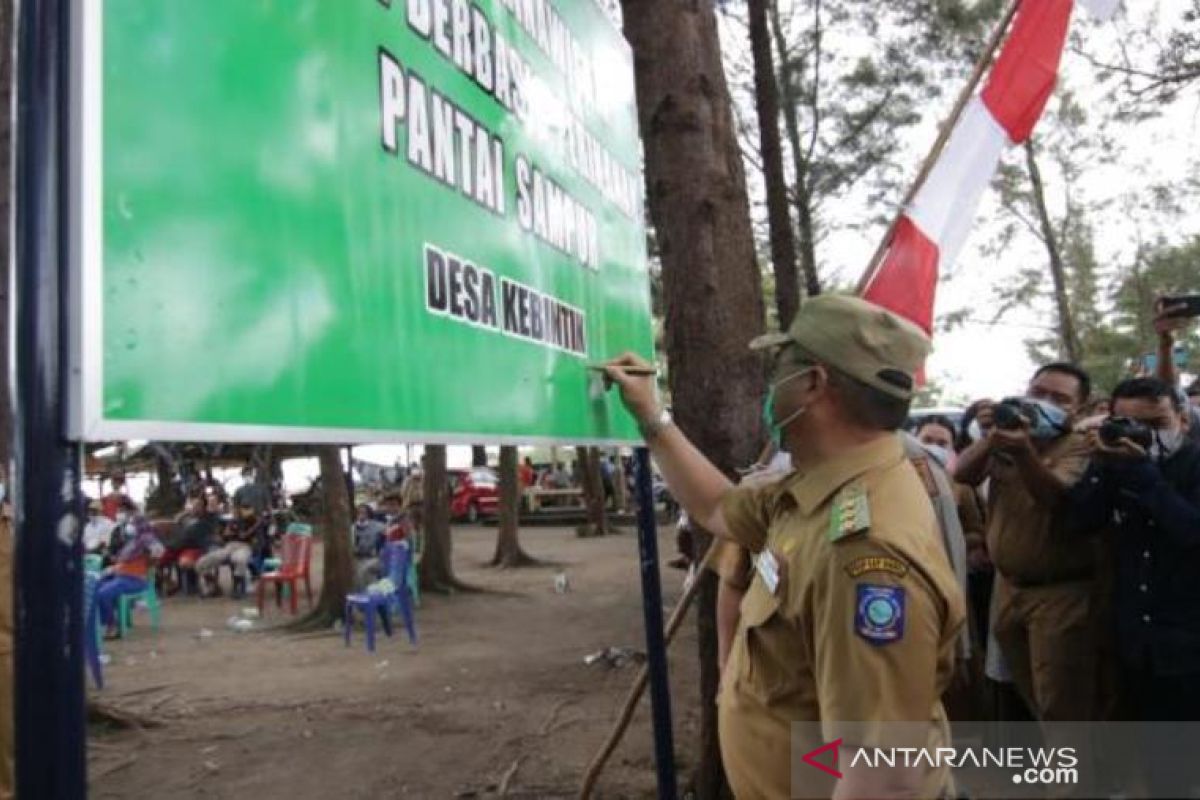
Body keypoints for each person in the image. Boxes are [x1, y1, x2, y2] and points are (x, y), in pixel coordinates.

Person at [606, 294, 964, 799]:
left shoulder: (864, 555)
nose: (771, 385)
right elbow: (718, 509)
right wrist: (652, 416)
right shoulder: (823, 488)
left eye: (781, 367)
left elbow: (881, 776)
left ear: (814, 383)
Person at [1065, 377, 1200, 794]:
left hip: (1190, 638)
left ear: (1182, 419)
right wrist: (1103, 469)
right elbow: (1080, 521)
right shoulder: (1117, 466)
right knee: (1163, 767)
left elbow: (1191, 532)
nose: (1142, 435)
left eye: (1155, 423)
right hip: (1140, 640)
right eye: (1127, 424)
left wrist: (1144, 475)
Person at [954, 363, 1098, 725]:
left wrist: (1023, 453)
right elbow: (963, 475)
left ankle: (1071, 780)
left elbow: (1055, 499)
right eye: (1039, 393)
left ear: (1079, 409)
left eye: (1059, 399)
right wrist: (992, 435)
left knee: (1061, 704)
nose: (1044, 402)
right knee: (1030, 693)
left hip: (1059, 594)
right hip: (1009, 589)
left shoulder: (1080, 447)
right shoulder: (1010, 436)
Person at [94, 516, 164, 639]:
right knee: (95, 587)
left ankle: (113, 626)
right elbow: (125, 559)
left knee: (103, 594)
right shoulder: (135, 540)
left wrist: (150, 563)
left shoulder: (146, 538)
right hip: (122, 576)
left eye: (132, 524)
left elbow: (159, 550)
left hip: (135, 579)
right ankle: (113, 621)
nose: (129, 527)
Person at [196, 506, 255, 599]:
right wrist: (222, 535)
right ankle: (213, 585)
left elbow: (248, 535)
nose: (237, 511)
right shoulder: (230, 522)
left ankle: (237, 589)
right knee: (201, 563)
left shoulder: (252, 521)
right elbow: (222, 537)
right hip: (228, 547)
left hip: (244, 546)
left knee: (239, 559)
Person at [352, 504, 389, 589]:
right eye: (359, 512)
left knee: (368, 579)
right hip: (356, 559)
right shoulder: (352, 527)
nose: (361, 515)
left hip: (372, 558)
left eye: (364, 512)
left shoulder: (378, 526)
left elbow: (387, 535)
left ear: (369, 514)